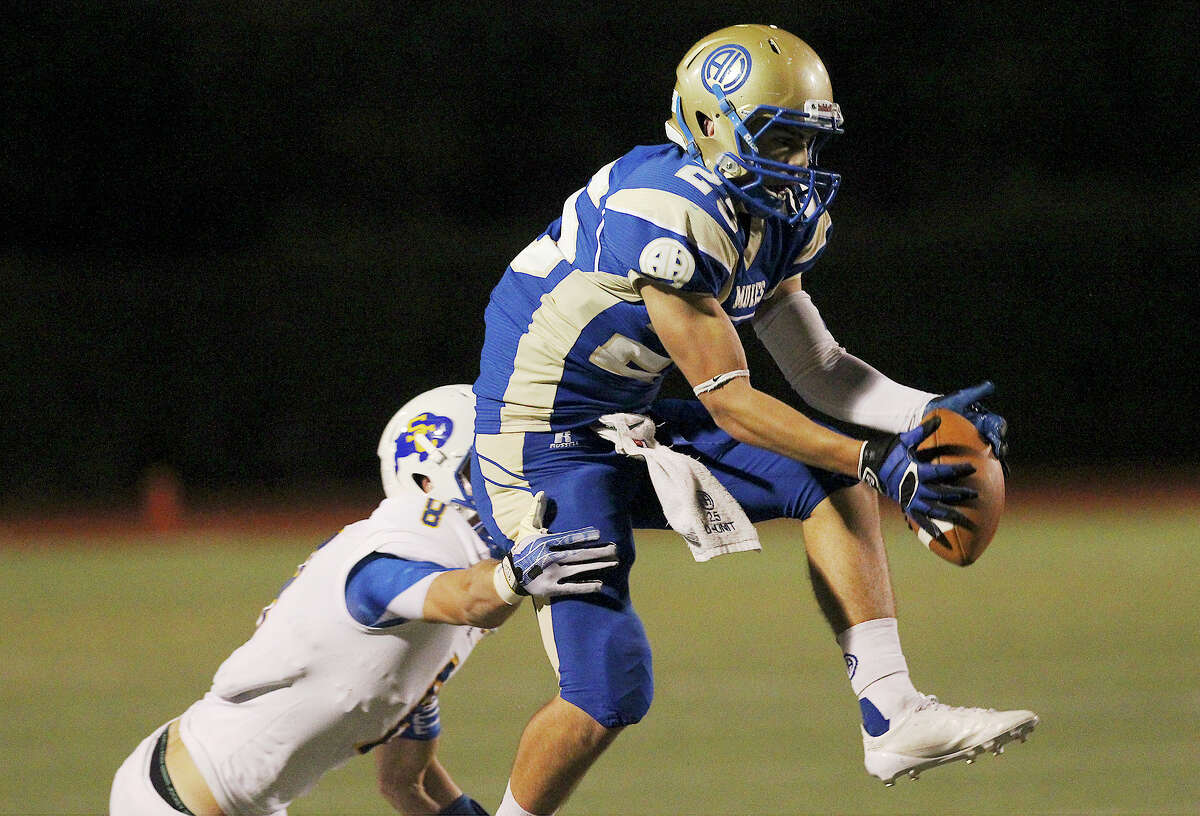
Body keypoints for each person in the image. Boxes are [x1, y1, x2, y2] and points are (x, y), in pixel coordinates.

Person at [470, 24, 1037, 815]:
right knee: (608, 690)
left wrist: (922, 412)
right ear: (709, 125)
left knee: (829, 484)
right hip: (536, 446)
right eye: (779, 138)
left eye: (808, 141)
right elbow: (730, 402)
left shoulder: (766, 214)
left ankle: (893, 715)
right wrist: (876, 460)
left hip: (625, 421)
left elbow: (819, 367)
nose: (797, 163)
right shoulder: (669, 208)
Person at [109, 385, 618, 816]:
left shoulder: (435, 595)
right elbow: (468, 598)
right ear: (427, 481)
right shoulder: (397, 550)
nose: (512, 480)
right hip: (171, 801)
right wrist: (513, 575)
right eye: (486, 467)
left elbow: (406, 781)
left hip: (237, 801)